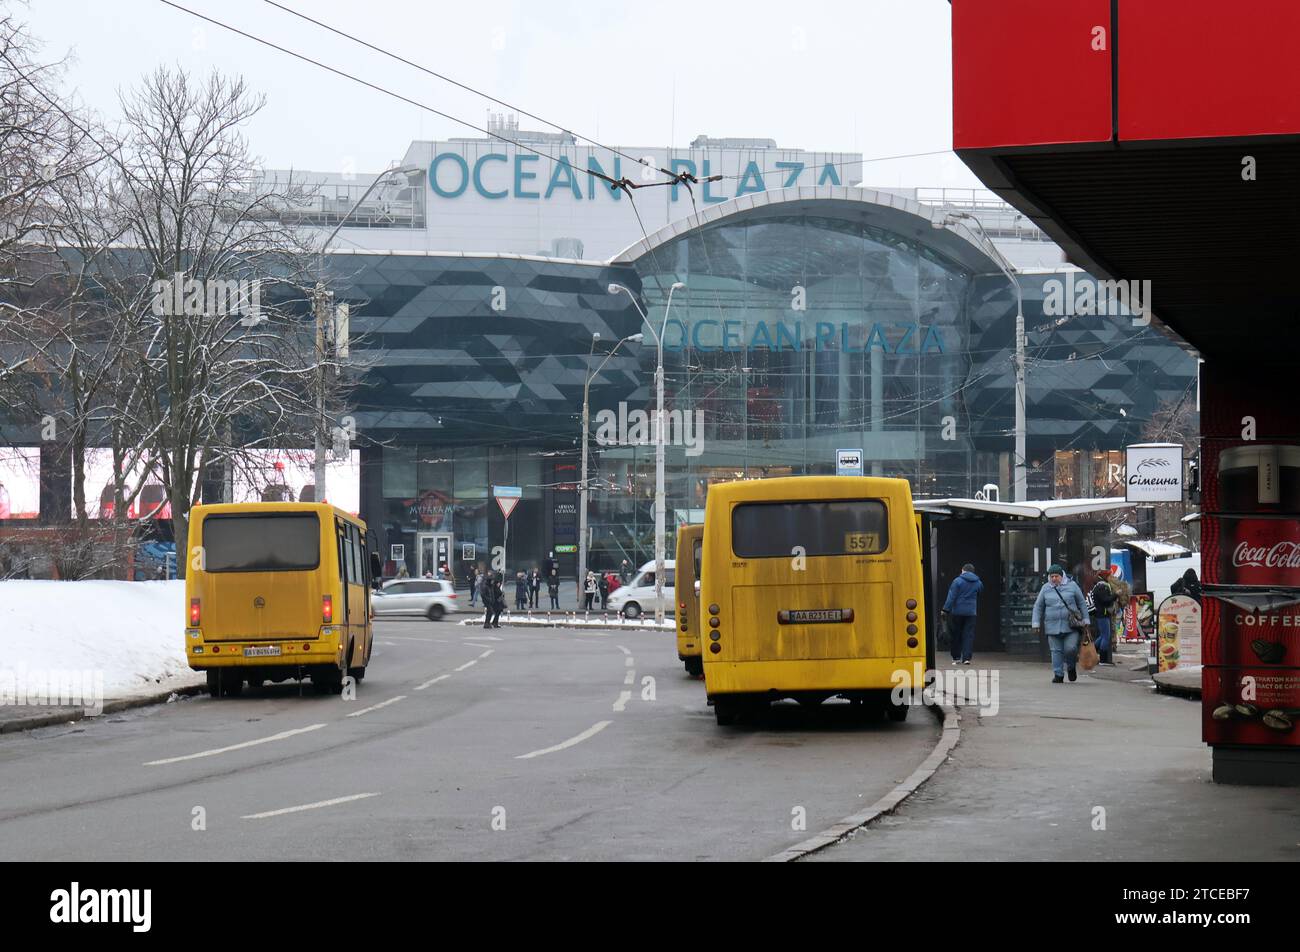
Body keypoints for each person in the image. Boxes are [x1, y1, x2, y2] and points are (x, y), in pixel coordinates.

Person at [1032, 564, 1088, 683]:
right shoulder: (1045, 588)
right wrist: (1036, 623)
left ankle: (1071, 667)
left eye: (1056, 576)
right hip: (1052, 626)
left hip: (1071, 625)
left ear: (1061, 576)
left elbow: (1082, 603)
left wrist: (1086, 620)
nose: (1053, 579)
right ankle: (1058, 674)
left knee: (1071, 648)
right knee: (1055, 651)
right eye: (1051, 576)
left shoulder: (1072, 586)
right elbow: (1038, 606)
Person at [941, 563, 983, 665]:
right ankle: (966, 658)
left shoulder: (957, 581)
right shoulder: (978, 582)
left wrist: (945, 609)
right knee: (968, 635)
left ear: (963, 570)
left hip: (957, 612)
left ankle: (956, 657)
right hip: (971, 613)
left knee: (956, 634)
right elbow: (979, 592)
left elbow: (951, 597)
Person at [1089, 567, 1119, 665]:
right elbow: (1106, 600)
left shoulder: (1099, 585)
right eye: (1109, 575)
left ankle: (1092, 651)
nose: (1111, 577)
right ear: (1105, 577)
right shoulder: (1102, 587)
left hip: (1100, 613)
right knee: (1106, 636)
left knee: (1103, 636)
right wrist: (1116, 595)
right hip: (1103, 614)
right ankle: (1103, 659)